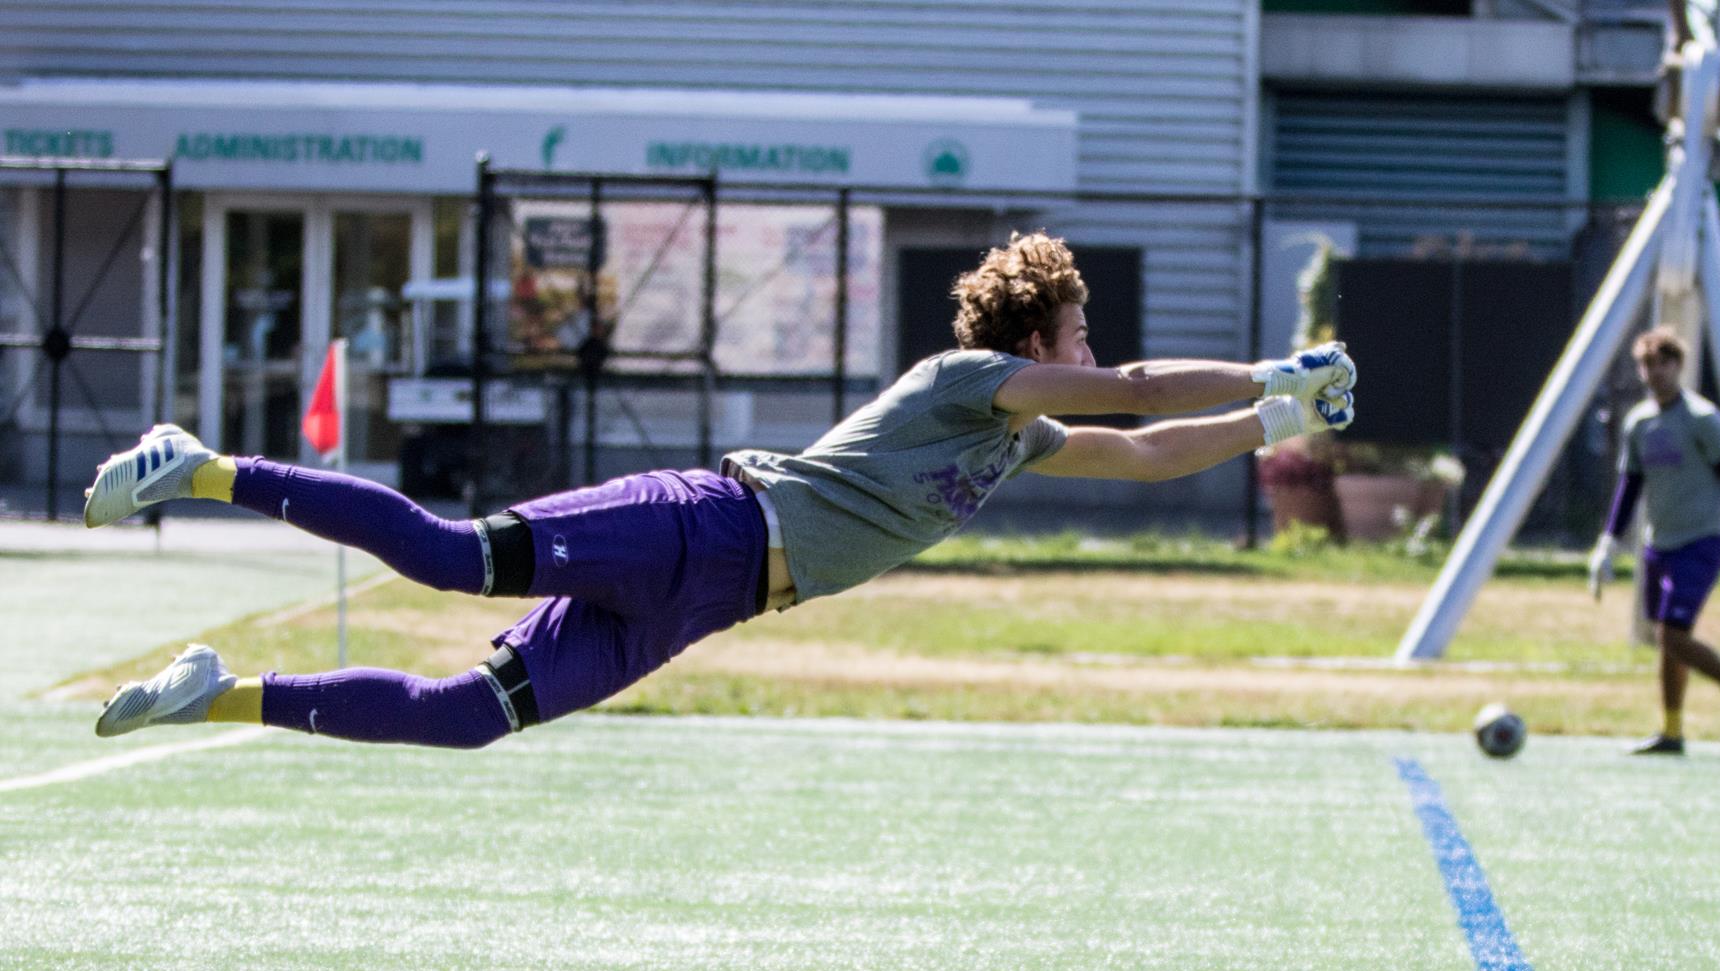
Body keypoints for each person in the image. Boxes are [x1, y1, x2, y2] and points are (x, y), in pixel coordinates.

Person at [87, 232, 1357, 748]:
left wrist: (1269, 420)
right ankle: (201, 465)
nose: (1091, 346)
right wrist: (1272, 368)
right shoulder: (970, 379)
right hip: (703, 524)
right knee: (450, 554)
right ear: (1036, 339)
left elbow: (1145, 449)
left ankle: (218, 691)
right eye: (1078, 329)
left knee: (471, 717)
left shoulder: (1015, 440)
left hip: (710, 601)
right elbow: (1134, 393)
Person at [1588, 325, 1720, 755]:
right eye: (1647, 364)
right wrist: (1608, 540)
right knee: (1668, 640)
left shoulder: (1702, 418)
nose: (1655, 372)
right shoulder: (1639, 422)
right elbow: (1630, 486)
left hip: (1700, 541)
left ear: (1678, 365)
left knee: (1673, 635)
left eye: (1663, 363)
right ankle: (1671, 731)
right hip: (1658, 543)